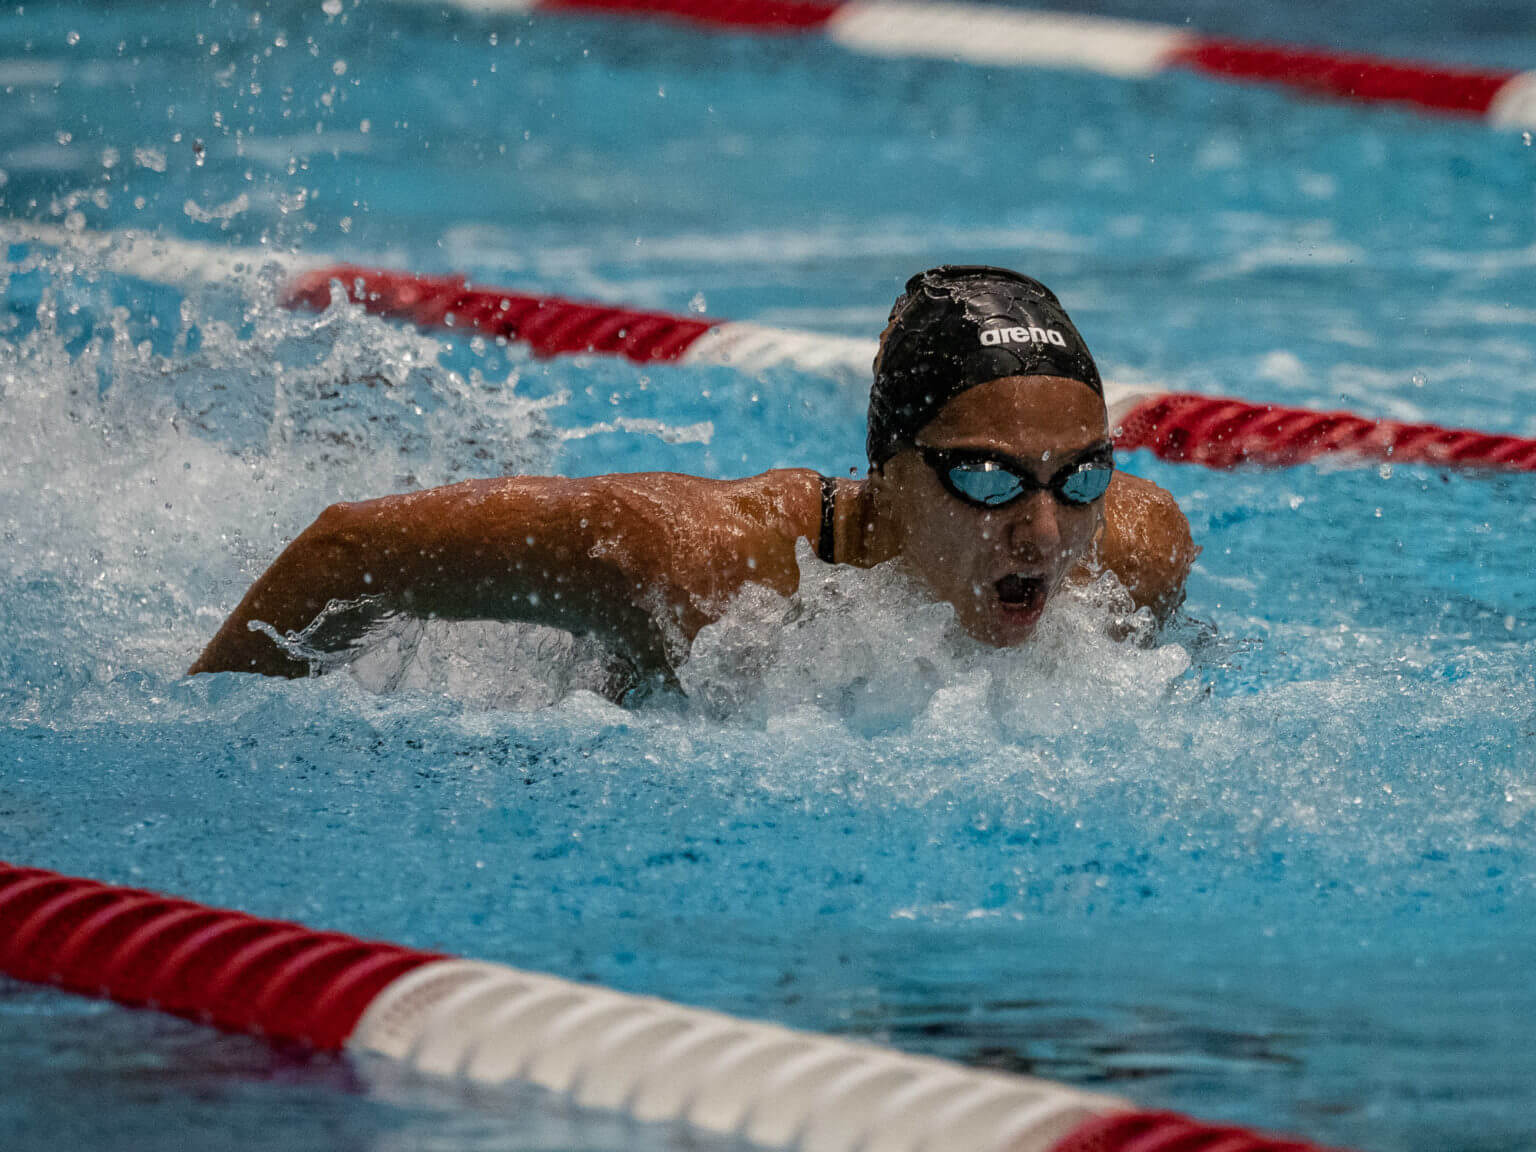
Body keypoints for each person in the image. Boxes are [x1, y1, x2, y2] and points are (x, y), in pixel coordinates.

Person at [189, 266, 1196, 682]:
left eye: (1078, 477)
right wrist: (211, 731)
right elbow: (349, 546)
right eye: (988, 480)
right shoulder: (703, 564)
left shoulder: (1132, 555)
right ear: (885, 473)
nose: (1044, 532)